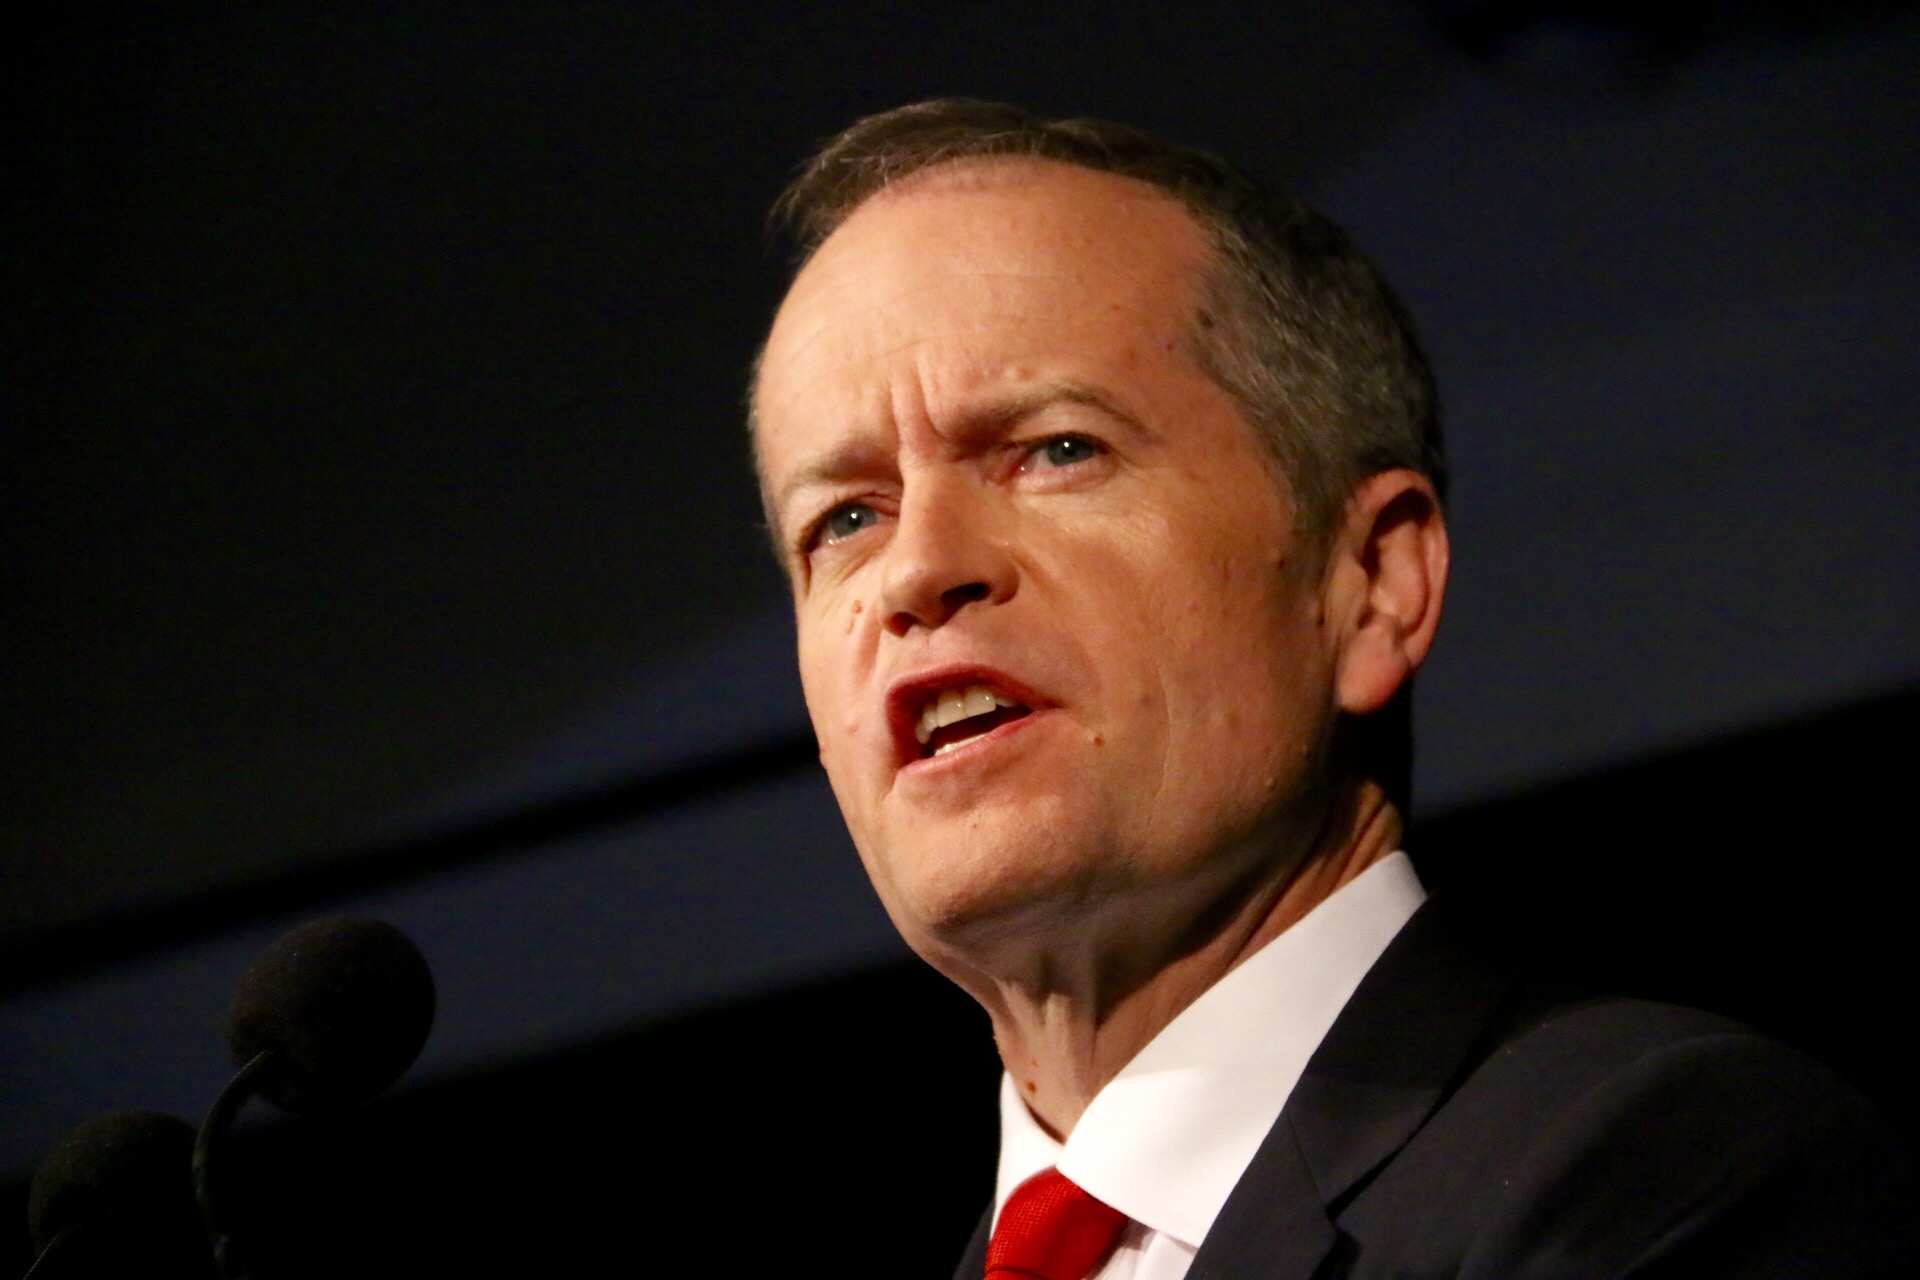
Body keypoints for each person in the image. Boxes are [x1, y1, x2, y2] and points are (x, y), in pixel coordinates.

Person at [748, 99, 1916, 1278]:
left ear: (1372, 582)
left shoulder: (1655, 1170)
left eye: (1057, 448)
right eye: (843, 518)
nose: (918, 568)